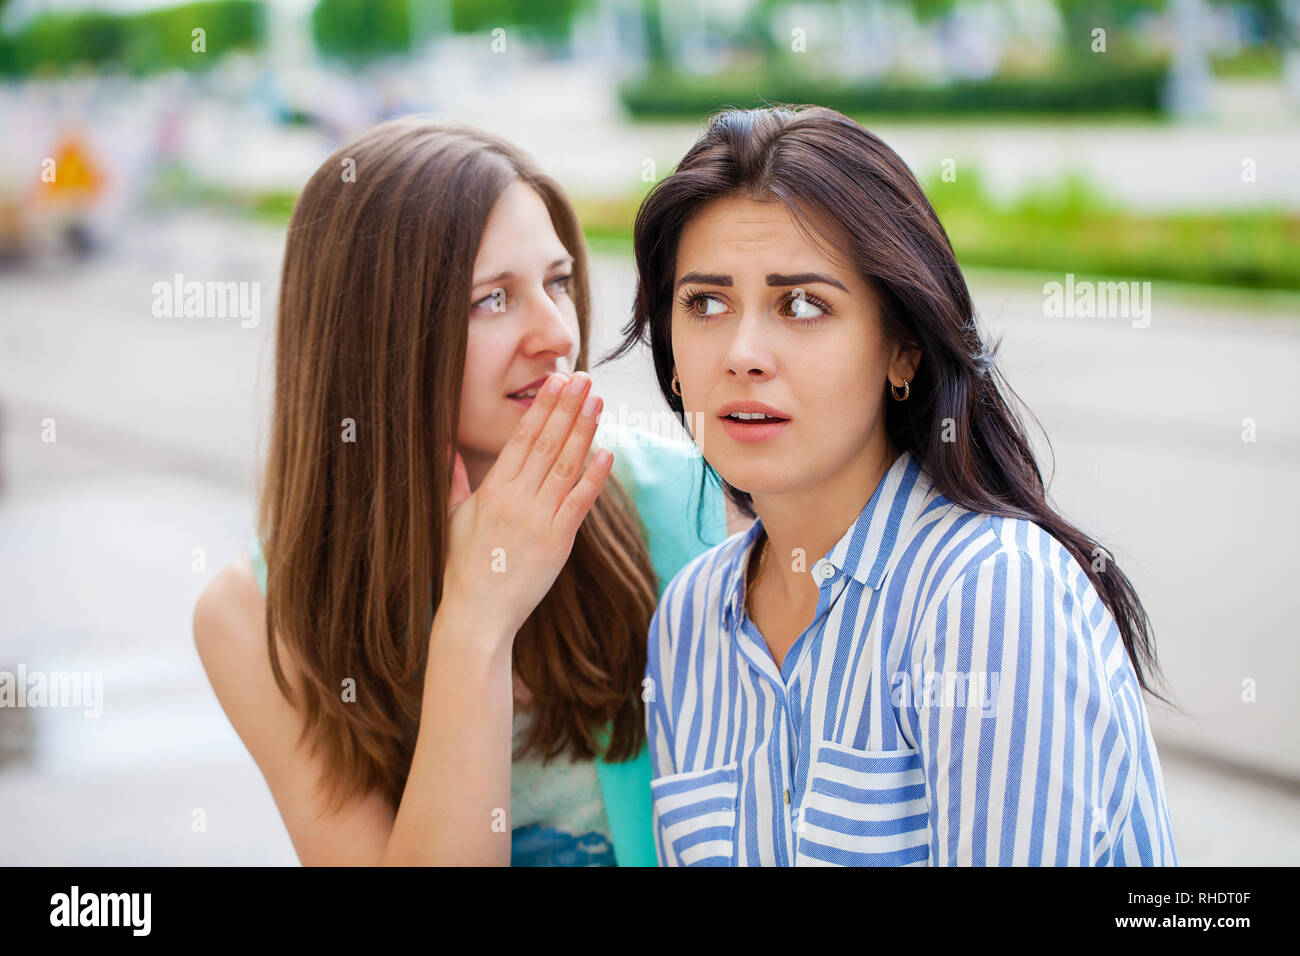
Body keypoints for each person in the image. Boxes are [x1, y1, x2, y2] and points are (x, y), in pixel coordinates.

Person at [608, 105, 1180, 866]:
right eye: (705, 303)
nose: (743, 353)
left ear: (903, 350)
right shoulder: (687, 621)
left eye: (803, 304)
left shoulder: (989, 595)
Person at [192, 117, 729, 866]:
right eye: (491, 300)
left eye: (558, 281)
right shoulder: (252, 616)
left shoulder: (694, 507)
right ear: (372, 339)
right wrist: (476, 623)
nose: (556, 334)